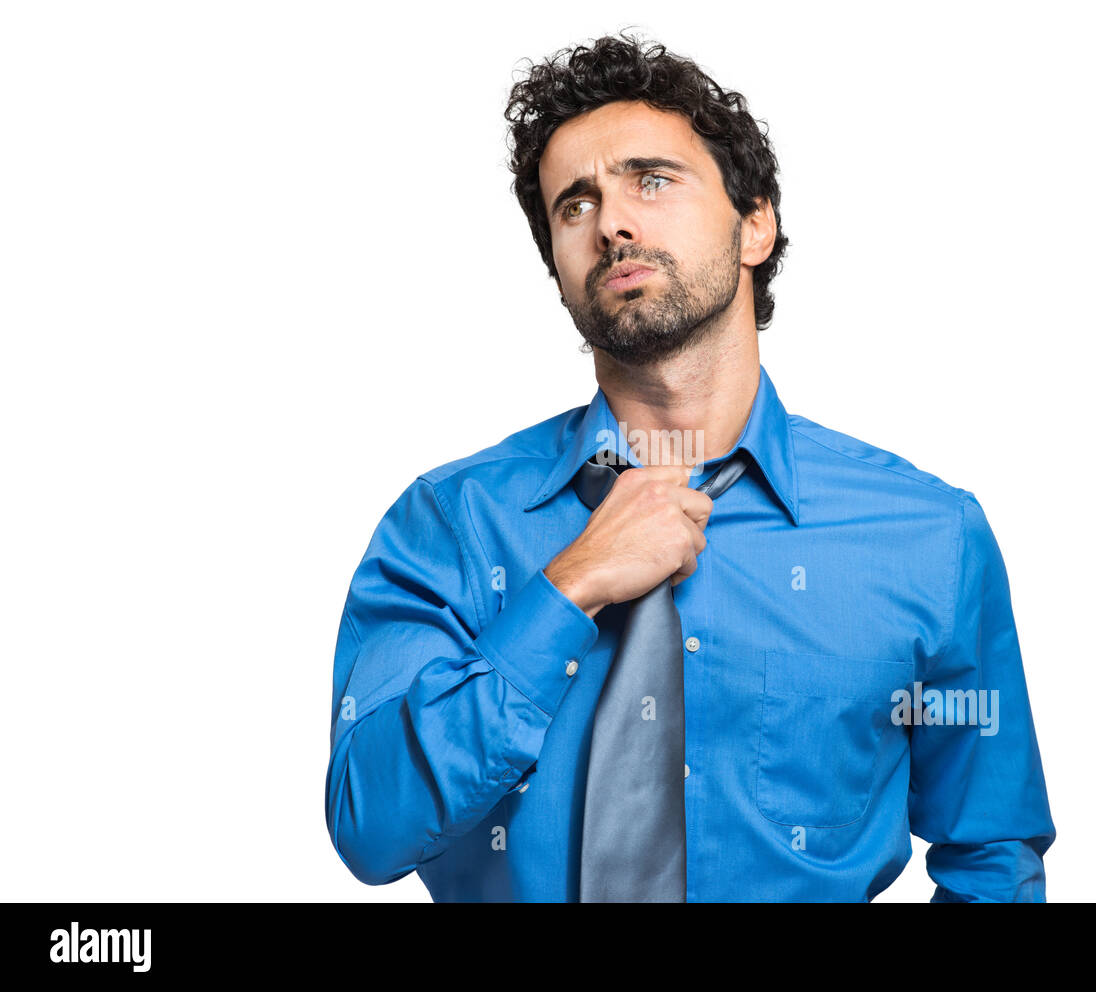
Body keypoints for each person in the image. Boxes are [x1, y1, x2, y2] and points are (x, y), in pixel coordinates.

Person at [324, 31, 1055, 902]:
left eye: (653, 180)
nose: (614, 222)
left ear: (755, 223)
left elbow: (992, 855)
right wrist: (568, 589)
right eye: (575, 205)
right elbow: (370, 827)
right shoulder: (449, 524)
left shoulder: (929, 539)